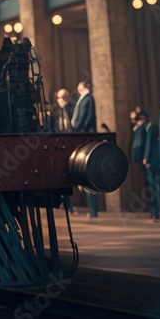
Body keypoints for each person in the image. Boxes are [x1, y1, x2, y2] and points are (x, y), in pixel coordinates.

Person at [71, 80, 99, 217]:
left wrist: (80, 130)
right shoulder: (84, 98)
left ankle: (93, 210)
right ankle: (92, 210)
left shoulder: (88, 98)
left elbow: (86, 117)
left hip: (85, 133)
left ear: (83, 86)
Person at [142, 109, 160, 222]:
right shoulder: (154, 127)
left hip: (151, 161)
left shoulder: (150, 128)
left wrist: (146, 158)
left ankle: (156, 213)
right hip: (157, 161)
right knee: (157, 187)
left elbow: (148, 144)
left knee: (153, 188)